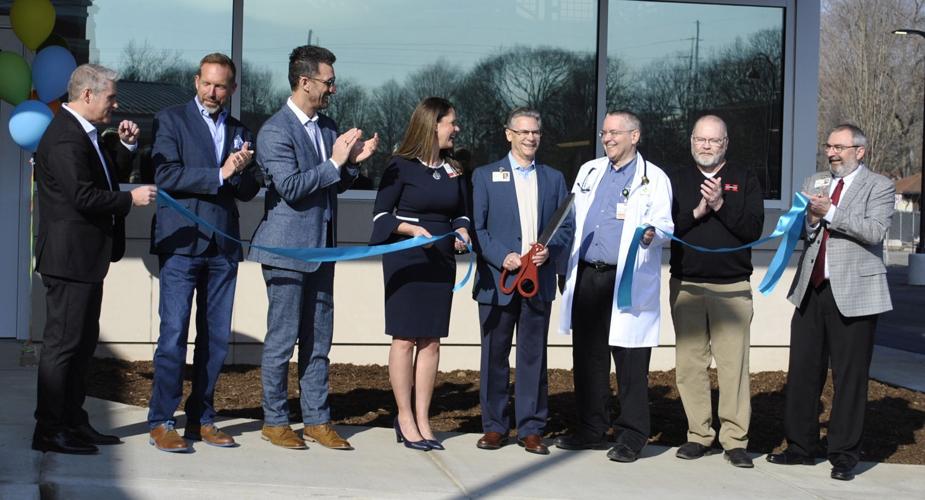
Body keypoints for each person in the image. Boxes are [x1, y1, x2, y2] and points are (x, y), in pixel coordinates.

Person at [249, 45, 378, 451]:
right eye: (328, 81)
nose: (333, 89)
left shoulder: (327, 128)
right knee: (282, 340)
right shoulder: (274, 131)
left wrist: (353, 163)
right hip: (287, 251)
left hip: (323, 250)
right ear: (304, 82)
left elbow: (331, 185)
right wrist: (336, 163)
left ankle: (318, 420)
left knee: (319, 340)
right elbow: (290, 189)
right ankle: (274, 420)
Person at [32, 64, 157, 454]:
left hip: (85, 260)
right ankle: (50, 430)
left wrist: (126, 148)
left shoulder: (86, 135)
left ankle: (73, 420)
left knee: (81, 346)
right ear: (87, 95)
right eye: (111, 97)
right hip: (69, 260)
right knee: (63, 347)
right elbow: (83, 196)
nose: (116, 105)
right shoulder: (66, 138)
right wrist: (130, 200)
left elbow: (103, 177)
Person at [767, 124, 894, 481]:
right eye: (829, 146)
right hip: (812, 287)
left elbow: (874, 232)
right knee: (804, 371)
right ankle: (800, 448)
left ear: (860, 151)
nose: (832, 153)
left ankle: (843, 454)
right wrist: (810, 218)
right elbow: (805, 232)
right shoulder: (817, 181)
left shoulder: (879, 186)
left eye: (840, 147)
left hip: (856, 292)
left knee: (849, 377)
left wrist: (831, 213)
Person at [147, 53, 260, 452]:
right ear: (196, 81)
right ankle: (162, 420)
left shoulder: (241, 130)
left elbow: (248, 190)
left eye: (221, 86)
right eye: (207, 84)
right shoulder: (171, 120)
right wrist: (220, 173)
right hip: (181, 244)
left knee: (214, 340)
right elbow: (165, 175)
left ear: (232, 88)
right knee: (174, 334)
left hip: (223, 246)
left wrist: (244, 169)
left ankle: (202, 418)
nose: (213, 93)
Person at [555, 110, 673, 463]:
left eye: (615, 133)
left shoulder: (655, 178)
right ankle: (591, 428)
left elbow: (665, 225)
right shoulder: (589, 171)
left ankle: (631, 435)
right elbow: (570, 220)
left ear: (634, 136)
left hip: (628, 280)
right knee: (588, 357)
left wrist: (652, 235)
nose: (607, 139)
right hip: (589, 275)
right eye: (604, 133)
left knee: (630, 359)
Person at [370, 97, 470, 451]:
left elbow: (461, 212)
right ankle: (404, 417)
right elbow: (380, 216)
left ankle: (424, 419)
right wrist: (412, 230)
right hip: (407, 262)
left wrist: (463, 231)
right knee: (405, 339)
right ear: (432, 125)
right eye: (451, 123)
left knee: (431, 341)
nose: (456, 129)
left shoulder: (453, 169)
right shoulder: (400, 166)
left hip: (440, 263)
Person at [470, 108, 572, 455]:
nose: (531, 138)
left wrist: (550, 252)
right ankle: (495, 427)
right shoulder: (485, 176)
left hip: (537, 281)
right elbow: (478, 230)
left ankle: (531, 428)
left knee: (533, 357)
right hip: (499, 282)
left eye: (536, 132)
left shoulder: (554, 178)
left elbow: (566, 228)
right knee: (493, 356)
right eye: (524, 132)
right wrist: (504, 257)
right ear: (508, 134)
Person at [668, 115, 764, 468]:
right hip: (687, 285)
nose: (705, 146)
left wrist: (722, 205)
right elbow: (666, 227)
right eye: (700, 140)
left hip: (732, 288)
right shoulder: (676, 178)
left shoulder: (744, 177)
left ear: (725, 144)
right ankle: (698, 435)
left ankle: (735, 440)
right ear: (692, 141)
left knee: (733, 366)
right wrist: (698, 210)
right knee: (689, 365)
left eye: (713, 141)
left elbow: (753, 229)